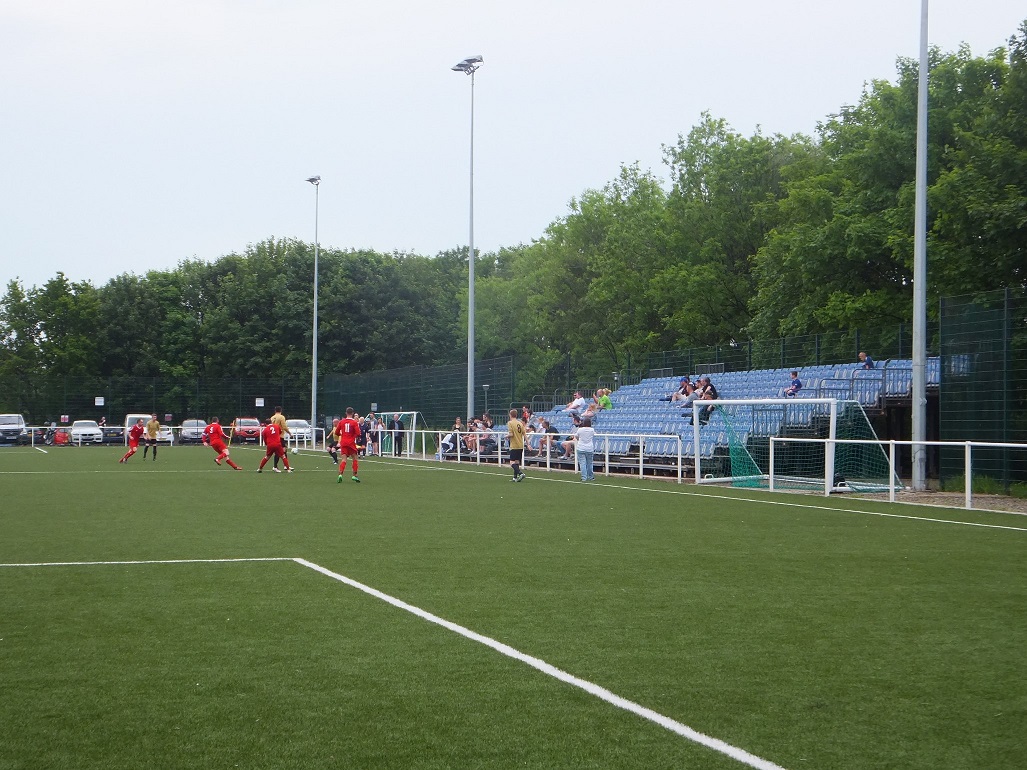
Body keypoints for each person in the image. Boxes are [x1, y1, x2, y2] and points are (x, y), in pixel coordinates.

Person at [336, 407, 362, 483]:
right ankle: (354, 475)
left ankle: (340, 474)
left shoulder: (341, 422)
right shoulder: (354, 422)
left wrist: (342, 434)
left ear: (346, 413)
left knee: (344, 459)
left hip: (343, 442)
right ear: (353, 413)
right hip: (351, 443)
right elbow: (358, 433)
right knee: (355, 458)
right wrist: (354, 436)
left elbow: (337, 432)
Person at [506, 408, 526, 482]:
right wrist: (528, 443)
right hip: (520, 445)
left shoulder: (510, 423)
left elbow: (511, 434)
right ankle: (515, 478)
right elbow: (524, 434)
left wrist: (506, 436)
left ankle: (521, 473)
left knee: (511, 462)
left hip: (514, 445)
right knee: (517, 462)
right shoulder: (520, 423)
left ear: (510, 415)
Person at [576, 416, 596, 482]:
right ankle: (591, 477)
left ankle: (584, 477)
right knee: (590, 463)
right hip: (589, 448)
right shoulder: (592, 430)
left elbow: (576, 436)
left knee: (582, 463)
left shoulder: (580, 429)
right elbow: (594, 435)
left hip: (581, 448)